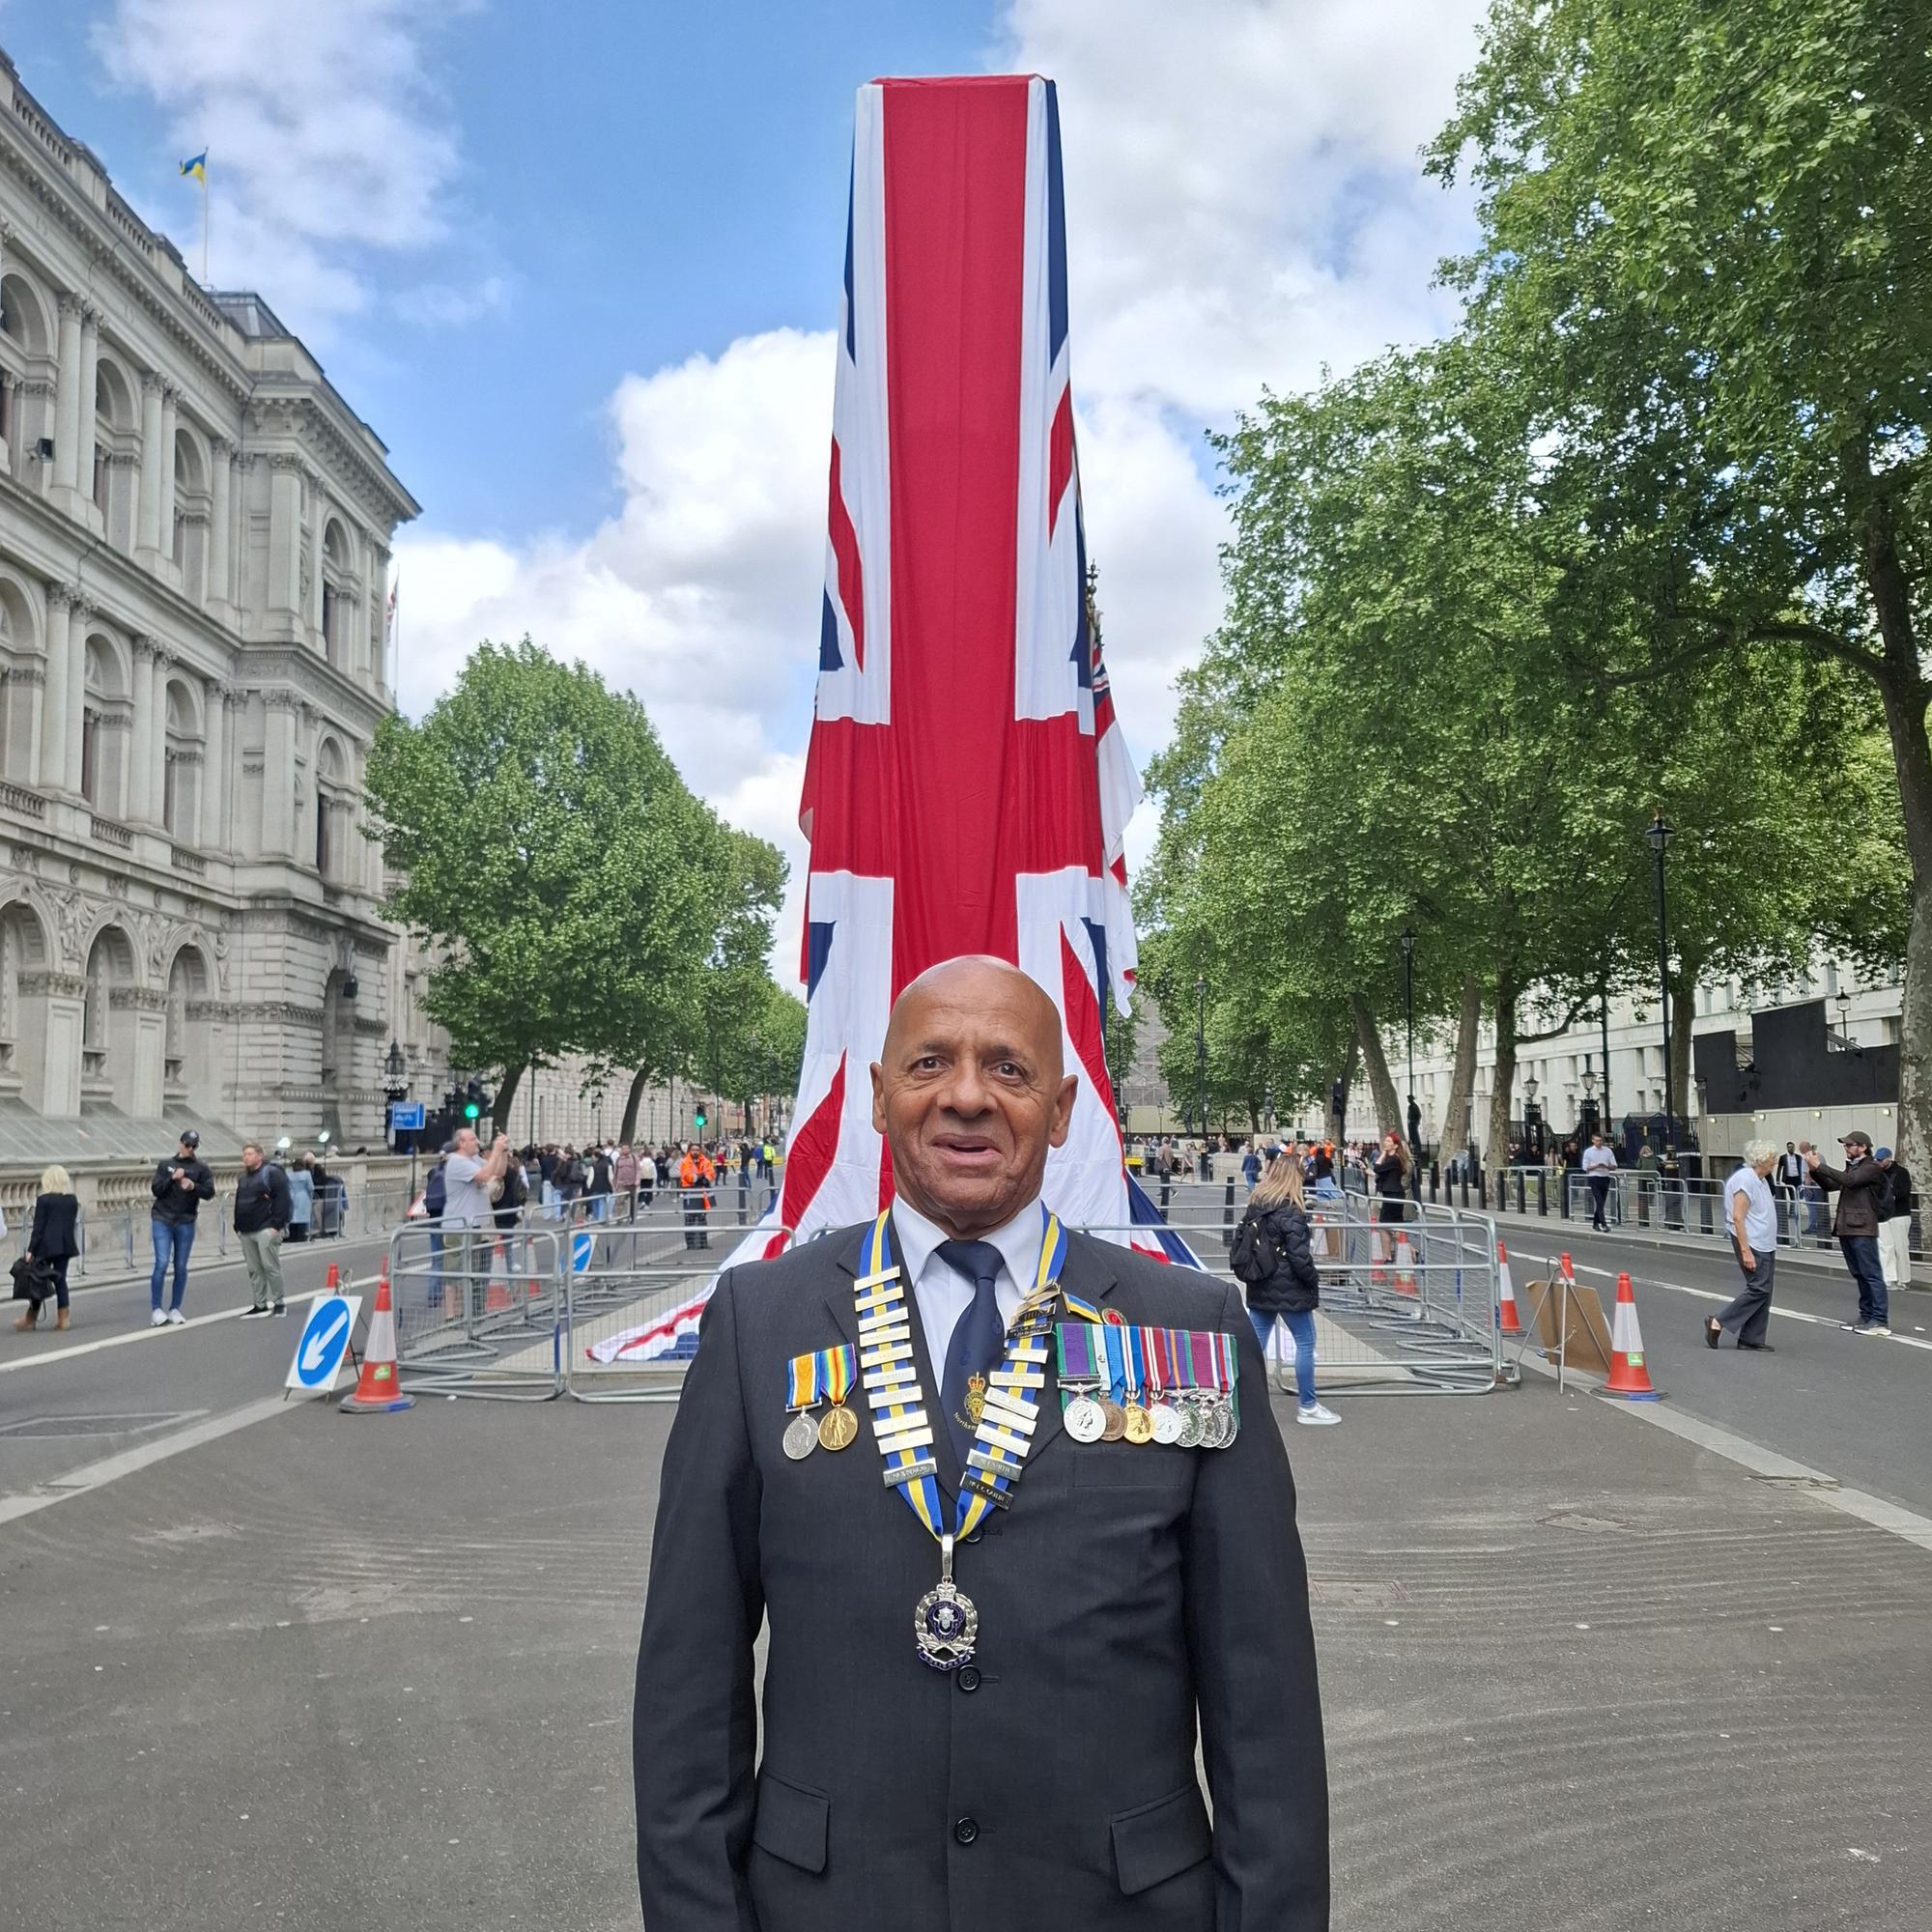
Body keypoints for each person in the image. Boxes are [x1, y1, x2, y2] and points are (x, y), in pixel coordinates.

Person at [635, 955, 1327, 1929]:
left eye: (1008, 1067)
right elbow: (688, 1683)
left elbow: (1264, 1702)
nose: (966, 1096)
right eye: (929, 1063)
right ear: (878, 1096)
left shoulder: (1189, 1325)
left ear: (1061, 1108)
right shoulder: (760, 1322)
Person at [1244, 1151, 1340, 1426]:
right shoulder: (1292, 1212)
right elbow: (1300, 1257)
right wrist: (1312, 1279)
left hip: (1260, 1281)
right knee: (1305, 1342)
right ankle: (1307, 1405)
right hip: (1289, 1286)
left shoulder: (1257, 1204)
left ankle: (1245, 1402)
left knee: (1254, 1345)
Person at [1803, 1132, 1890, 1335]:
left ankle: (1879, 1320)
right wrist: (1814, 1171)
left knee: (1871, 1274)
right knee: (1859, 1274)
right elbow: (1831, 1185)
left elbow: (1850, 1181)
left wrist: (1820, 1166)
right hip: (1848, 1226)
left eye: (1850, 1145)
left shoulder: (1871, 1167)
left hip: (1863, 1227)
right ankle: (1866, 1315)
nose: (1846, 1148)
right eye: (1845, 1146)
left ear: (1863, 1147)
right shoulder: (1854, 1167)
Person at [1709, 1139, 1780, 1350]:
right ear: (1760, 1159)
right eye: (1772, 1158)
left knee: (1764, 1290)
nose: (1775, 1162)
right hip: (1752, 1242)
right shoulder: (1745, 1180)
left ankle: (1751, 1337)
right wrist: (1745, 1251)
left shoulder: (1762, 1180)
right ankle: (1718, 1321)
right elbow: (1738, 1217)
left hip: (1764, 1242)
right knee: (1758, 1288)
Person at [148, 1128, 214, 1326]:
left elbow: (209, 1192)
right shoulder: (166, 1165)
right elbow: (156, 1190)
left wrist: (193, 1186)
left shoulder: (201, 1168)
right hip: (163, 1217)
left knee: (180, 1266)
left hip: (185, 1219)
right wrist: (172, 1179)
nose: (190, 1149)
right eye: (187, 1145)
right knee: (161, 1263)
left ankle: (175, 1307)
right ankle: (156, 1309)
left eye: (194, 1146)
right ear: (181, 1143)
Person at [443, 1127, 511, 1318]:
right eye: (473, 1139)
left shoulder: (474, 1160)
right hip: (459, 1225)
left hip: (475, 1225)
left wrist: (503, 1152)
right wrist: (496, 1150)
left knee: (474, 1270)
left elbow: (498, 1172)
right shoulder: (457, 1161)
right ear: (462, 1143)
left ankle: (471, 1313)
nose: (478, 1142)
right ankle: (452, 1314)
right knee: (455, 1271)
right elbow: (485, 1176)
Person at [14, 1165, 80, 1332]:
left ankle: (31, 1318)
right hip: (65, 1246)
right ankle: (63, 1319)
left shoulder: (44, 1200)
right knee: (60, 1280)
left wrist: (31, 1250)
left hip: (46, 1246)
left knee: (37, 1282)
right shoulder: (72, 1200)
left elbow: (39, 1228)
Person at [233, 1141, 292, 1319]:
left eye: (249, 1154)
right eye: (244, 1154)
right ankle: (260, 1304)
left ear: (260, 1156)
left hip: (266, 1227)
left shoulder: (272, 1173)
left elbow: (283, 1199)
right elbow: (239, 1201)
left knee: (270, 1265)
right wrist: (237, 1225)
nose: (246, 1157)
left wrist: (277, 1225)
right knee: (254, 1269)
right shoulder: (243, 1178)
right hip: (246, 1229)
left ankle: (279, 1302)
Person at [1875, 1145, 1914, 1293]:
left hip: (1899, 1214)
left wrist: (1888, 1194)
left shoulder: (1901, 1173)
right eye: (1877, 1160)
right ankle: (1889, 1278)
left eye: (1881, 1160)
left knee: (1900, 1247)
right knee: (1886, 1247)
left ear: (1889, 1159)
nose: (1878, 1163)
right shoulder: (1877, 1173)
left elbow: (1904, 1192)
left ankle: (1904, 1279)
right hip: (1883, 1215)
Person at [1581, 1131, 1618, 1231]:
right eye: (1597, 1140)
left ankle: (1595, 1223)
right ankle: (1604, 1224)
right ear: (1593, 1141)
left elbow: (1614, 1165)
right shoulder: (1588, 1152)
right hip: (1594, 1177)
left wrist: (1607, 1166)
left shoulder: (1608, 1151)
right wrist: (1596, 1166)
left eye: (1601, 1140)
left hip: (1605, 1177)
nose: (1599, 1142)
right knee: (1599, 1201)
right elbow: (1585, 1167)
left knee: (1601, 1202)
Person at [286, 1154, 314, 1242]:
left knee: (293, 1217)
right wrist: (311, 1197)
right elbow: (310, 1187)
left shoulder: (289, 1174)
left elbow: (287, 1186)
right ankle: (301, 1235)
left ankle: (292, 1235)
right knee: (303, 1216)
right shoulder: (307, 1174)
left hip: (292, 1195)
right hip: (303, 1196)